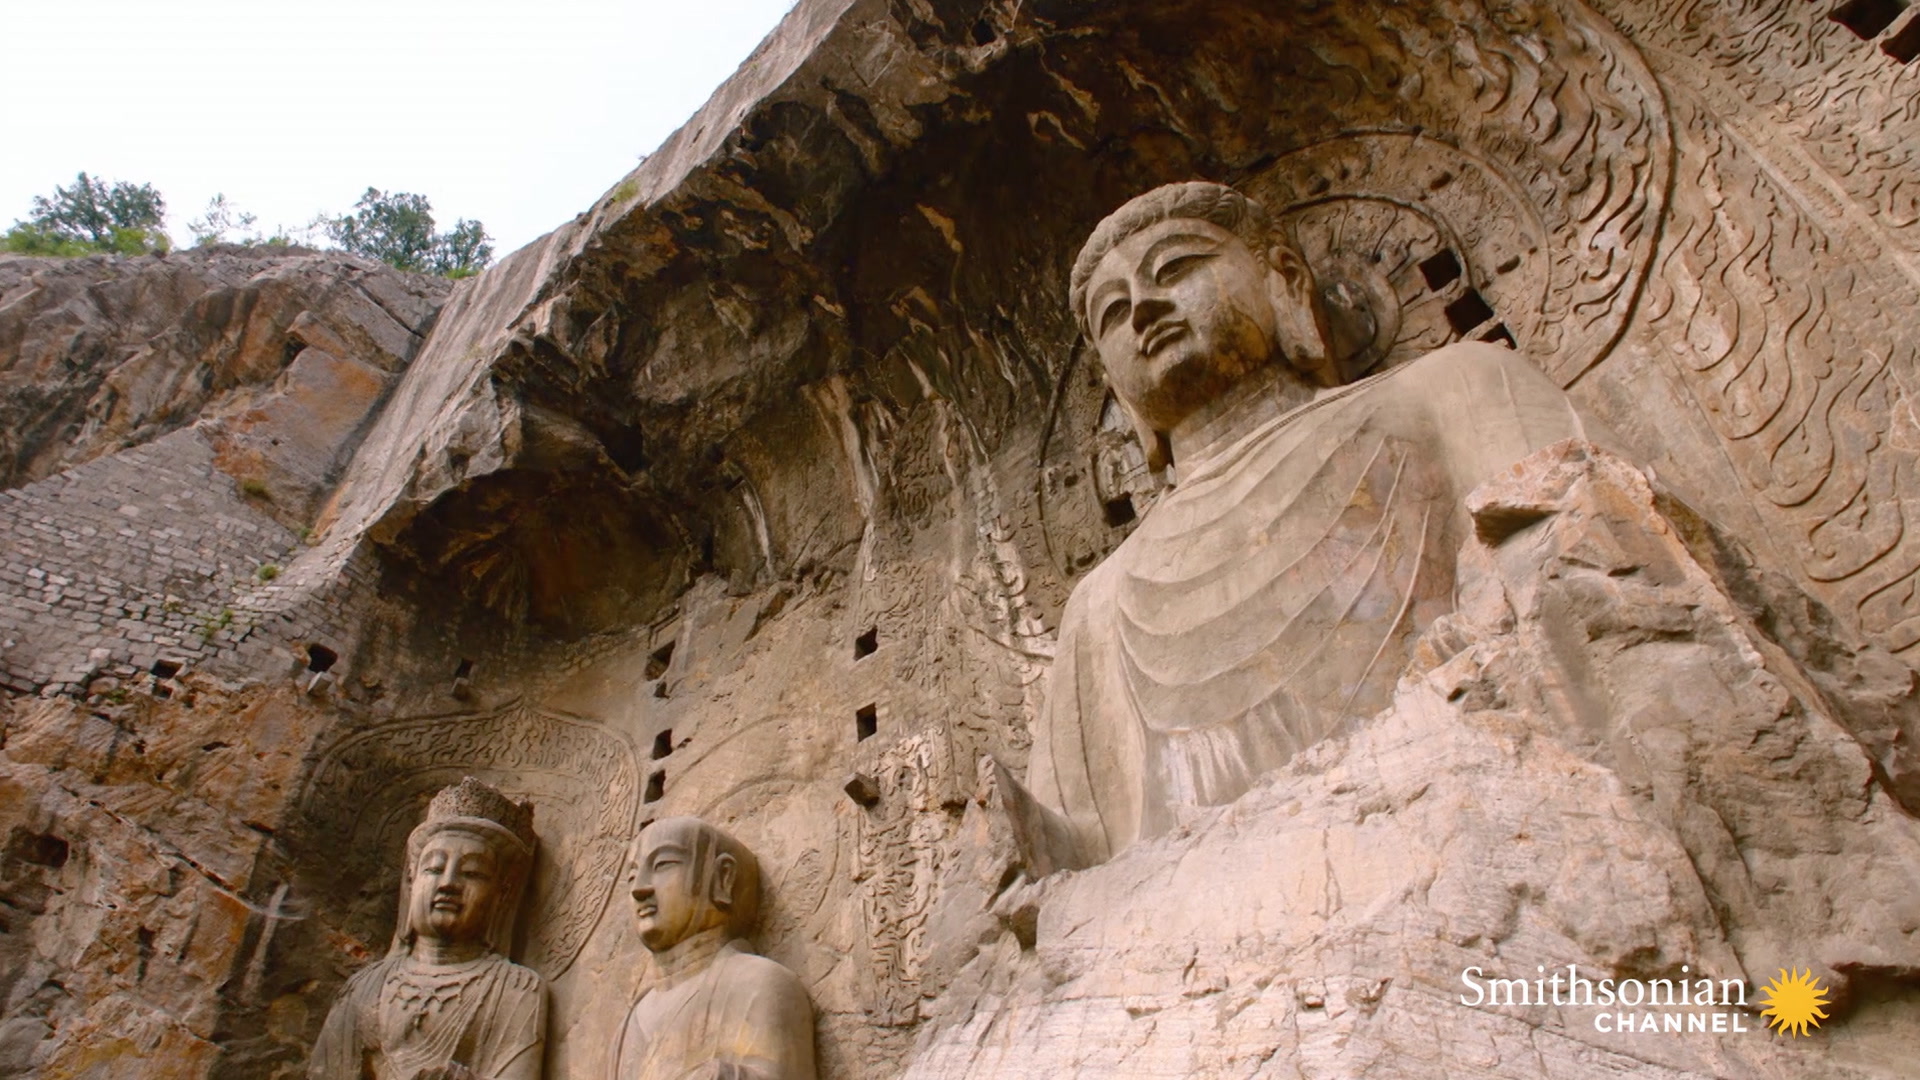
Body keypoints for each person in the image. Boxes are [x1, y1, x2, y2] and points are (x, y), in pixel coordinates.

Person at [1015, 181, 1613, 869]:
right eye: (1114, 312)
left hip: (1490, 830)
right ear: (1115, 387)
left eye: (1174, 270)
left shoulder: (1457, 388)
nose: (1144, 309)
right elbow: (1083, 845)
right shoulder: (1097, 604)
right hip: (1203, 917)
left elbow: (1589, 579)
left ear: (1286, 281)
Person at [310, 778, 546, 1080]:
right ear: (411, 881)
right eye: (433, 869)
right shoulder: (364, 987)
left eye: (473, 873)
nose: (448, 884)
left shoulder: (515, 989)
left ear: (501, 895)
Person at [608, 817, 815, 1080]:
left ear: (723, 876)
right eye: (632, 875)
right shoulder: (626, 1028)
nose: (640, 889)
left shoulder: (757, 983)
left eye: (662, 865)